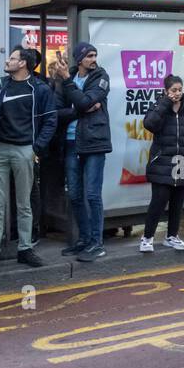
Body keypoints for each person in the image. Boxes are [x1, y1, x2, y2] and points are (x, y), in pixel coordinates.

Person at [0, 47, 56, 273]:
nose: (8, 61)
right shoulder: (0, 86)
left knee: (24, 204)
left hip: (25, 149)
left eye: (12, 58)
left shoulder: (40, 89)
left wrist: (37, 148)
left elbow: (50, 120)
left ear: (23, 63)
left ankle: (25, 248)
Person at [52, 43, 112, 262]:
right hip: (70, 142)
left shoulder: (101, 76)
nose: (93, 59)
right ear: (79, 59)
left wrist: (69, 83)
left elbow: (88, 100)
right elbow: (57, 112)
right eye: (89, 56)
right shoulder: (67, 79)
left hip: (94, 142)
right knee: (75, 194)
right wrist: (79, 109)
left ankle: (97, 243)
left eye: (95, 55)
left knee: (92, 195)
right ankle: (84, 240)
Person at [142, 74, 184, 252]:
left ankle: (172, 236)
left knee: (178, 202)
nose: (177, 93)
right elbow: (149, 124)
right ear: (166, 91)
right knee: (158, 201)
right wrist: (164, 104)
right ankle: (147, 237)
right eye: (173, 90)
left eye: (179, 89)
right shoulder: (159, 106)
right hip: (163, 161)